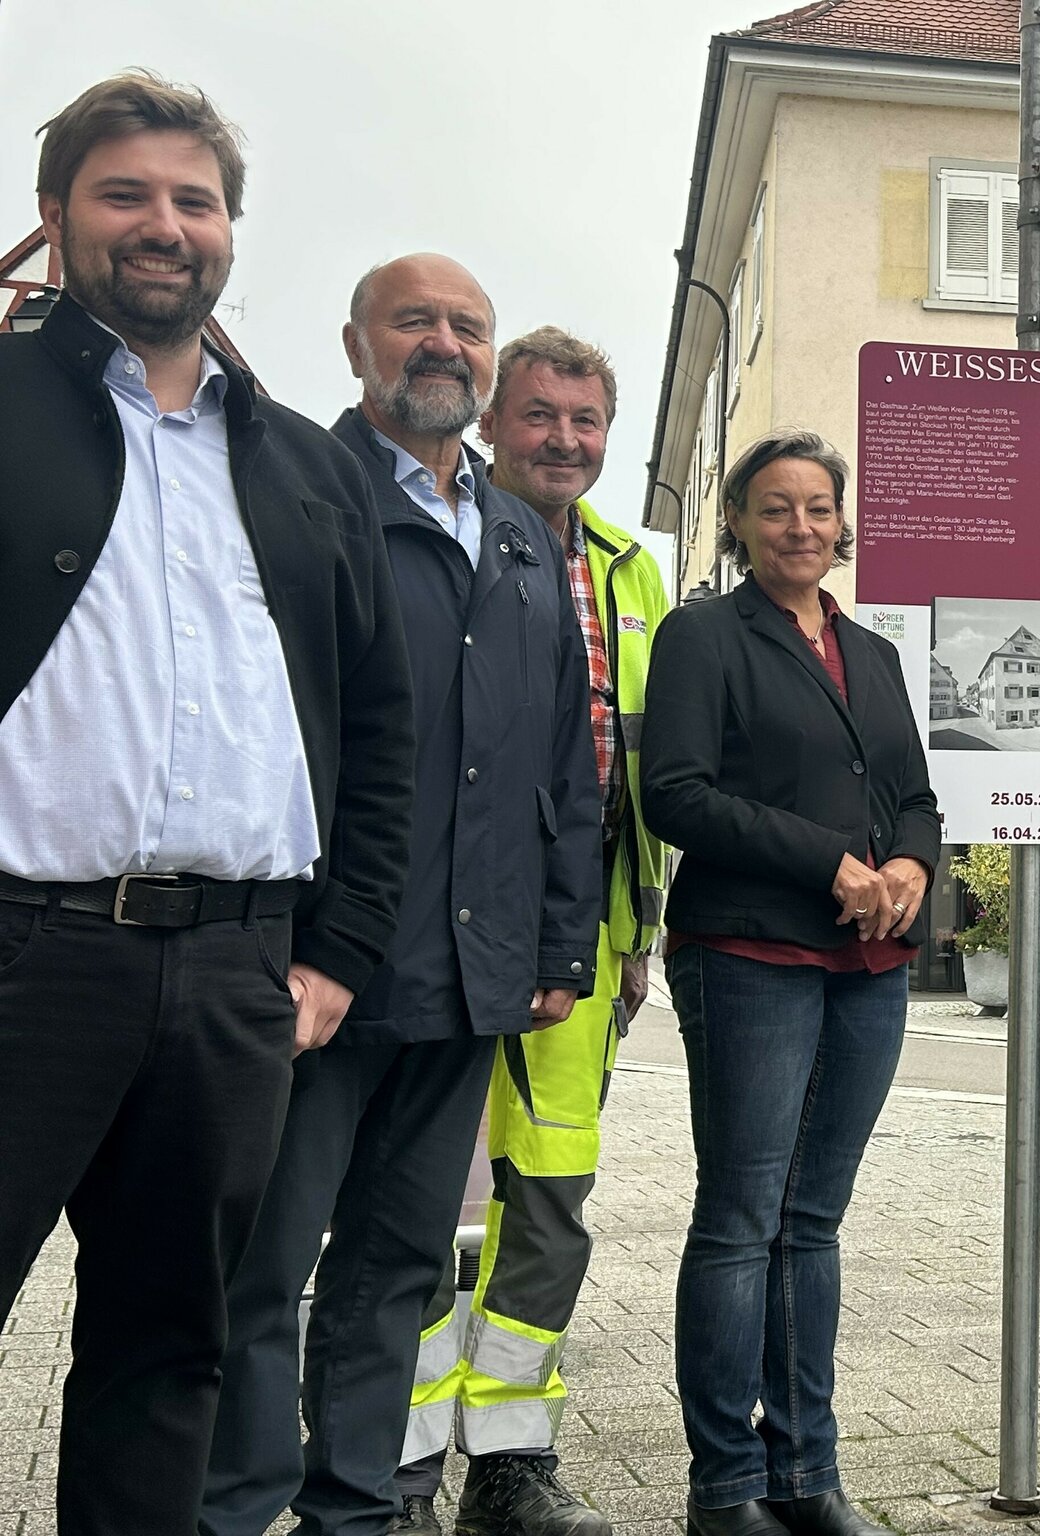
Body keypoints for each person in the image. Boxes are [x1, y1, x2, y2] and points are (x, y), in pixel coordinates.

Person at [0, 73, 416, 1536]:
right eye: (125, 193)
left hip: (237, 974)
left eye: (195, 200)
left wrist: (336, 950)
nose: (163, 225)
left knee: (171, 1348)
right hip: (23, 952)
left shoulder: (302, 463)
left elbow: (380, 724)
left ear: (232, 229)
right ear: (56, 217)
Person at [202, 256, 603, 1536]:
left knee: (395, 1268)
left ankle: (355, 1513)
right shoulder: (293, 492)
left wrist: (560, 945)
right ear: (355, 344)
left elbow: (563, 763)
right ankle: (233, 1510)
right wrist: (286, 940)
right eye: (412, 321)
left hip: (469, 977)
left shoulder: (519, 537)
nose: (442, 343)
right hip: (320, 972)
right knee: (262, 1272)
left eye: (465, 327)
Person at [390, 327, 669, 1536]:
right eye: (540, 414)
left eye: (585, 420)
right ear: (492, 421)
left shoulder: (633, 570)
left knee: (549, 1200)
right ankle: (391, 1470)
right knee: (415, 1199)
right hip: (440, 927)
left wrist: (638, 932)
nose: (564, 439)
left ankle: (508, 1463)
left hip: (586, 935)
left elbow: (645, 773)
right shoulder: (443, 536)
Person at [639, 430, 939, 1536]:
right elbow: (675, 794)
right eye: (774, 508)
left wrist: (910, 867)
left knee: (812, 1222)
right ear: (737, 522)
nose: (800, 527)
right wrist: (832, 863)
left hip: (869, 963)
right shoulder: (703, 635)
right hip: (747, 953)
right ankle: (724, 1487)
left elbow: (916, 795)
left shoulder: (874, 652)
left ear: (841, 521)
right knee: (739, 1219)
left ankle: (806, 1473)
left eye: (818, 507)